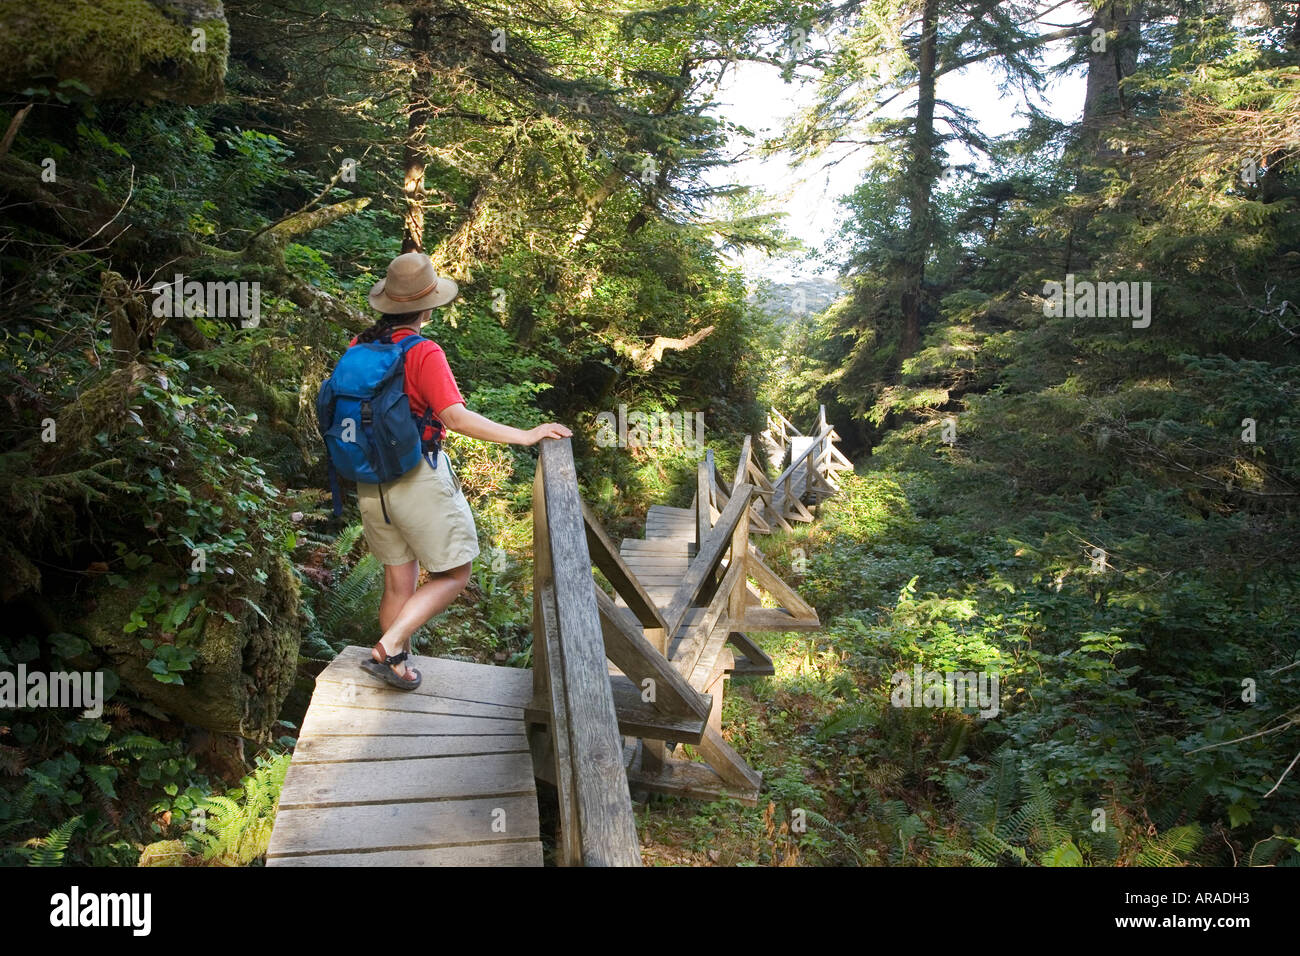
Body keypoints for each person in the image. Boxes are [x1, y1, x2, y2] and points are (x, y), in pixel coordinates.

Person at [350, 252, 570, 690]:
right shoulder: (423, 351)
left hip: (369, 479)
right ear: (428, 306)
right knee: (455, 574)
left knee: (399, 580)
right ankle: (389, 648)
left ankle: (395, 666)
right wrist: (527, 435)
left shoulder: (360, 346)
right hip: (416, 476)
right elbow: (455, 417)